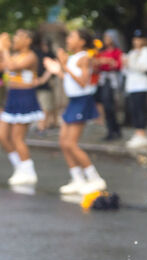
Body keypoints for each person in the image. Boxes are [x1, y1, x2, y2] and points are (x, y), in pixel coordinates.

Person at [44, 28, 108, 194]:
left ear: (82, 41)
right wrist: (58, 71)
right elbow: (70, 80)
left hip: (82, 101)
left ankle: (95, 178)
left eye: (72, 37)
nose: (68, 40)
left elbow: (82, 82)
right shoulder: (73, 58)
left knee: (71, 143)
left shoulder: (84, 58)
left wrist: (64, 66)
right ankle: (77, 178)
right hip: (73, 102)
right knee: (63, 142)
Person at [0, 29, 44, 186]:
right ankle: (19, 167)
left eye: (18, 37)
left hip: (25, 97)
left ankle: (29, 171)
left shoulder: (30, 56)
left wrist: (4, 50)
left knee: (17, 138)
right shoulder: (14, 56)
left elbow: (13, 67)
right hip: (12, 97)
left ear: (28, 40)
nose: (14, 39)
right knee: (1, 136)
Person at [123, 29, 147, 149]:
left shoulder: (146, 51)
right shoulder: (131, 52)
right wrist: (126, 63)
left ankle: (142, 134)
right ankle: (137, 132)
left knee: (140, 109)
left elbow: (145, 67)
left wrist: (130, 62)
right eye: (135, 39)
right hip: (132, 85)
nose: (136, 41)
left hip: (142, 85)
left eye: (139, 39)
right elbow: (127, 71)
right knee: (134, 110)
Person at [94, 30, 124, 141]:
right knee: (104, 105)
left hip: (112, 81)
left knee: (109, 106)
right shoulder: (102, 51)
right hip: (103, 80)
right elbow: (97, 66)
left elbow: (119, 65)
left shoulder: (117, 51)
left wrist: (109, 62)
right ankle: (112, 129)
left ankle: (114, 130)